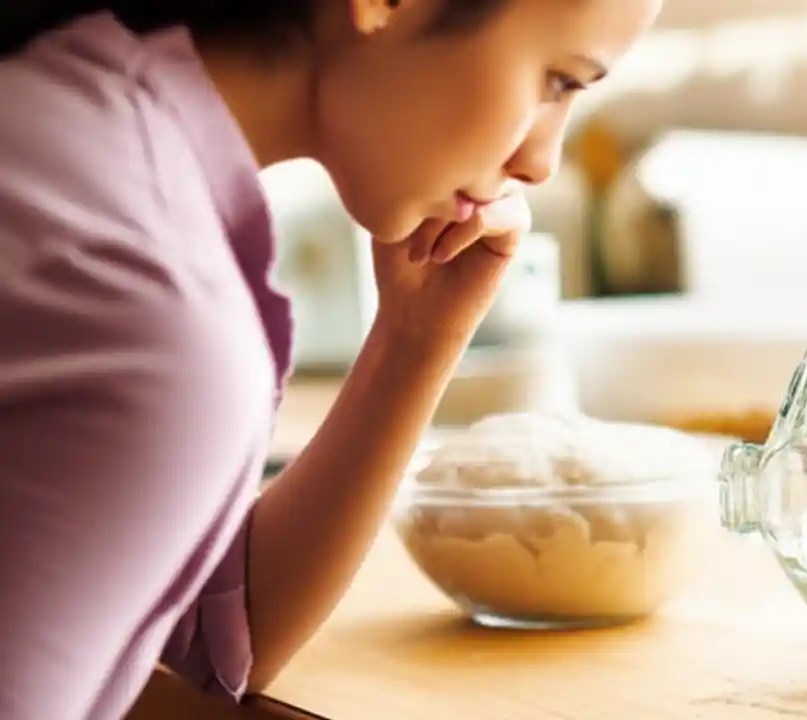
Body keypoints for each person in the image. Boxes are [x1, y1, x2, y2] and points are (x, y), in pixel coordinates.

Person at [0, 0, 659, 717]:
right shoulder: (151, 308)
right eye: (558, 82)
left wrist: (414, 339)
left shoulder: (60, 108)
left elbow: (203, 632)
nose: (540, 161)